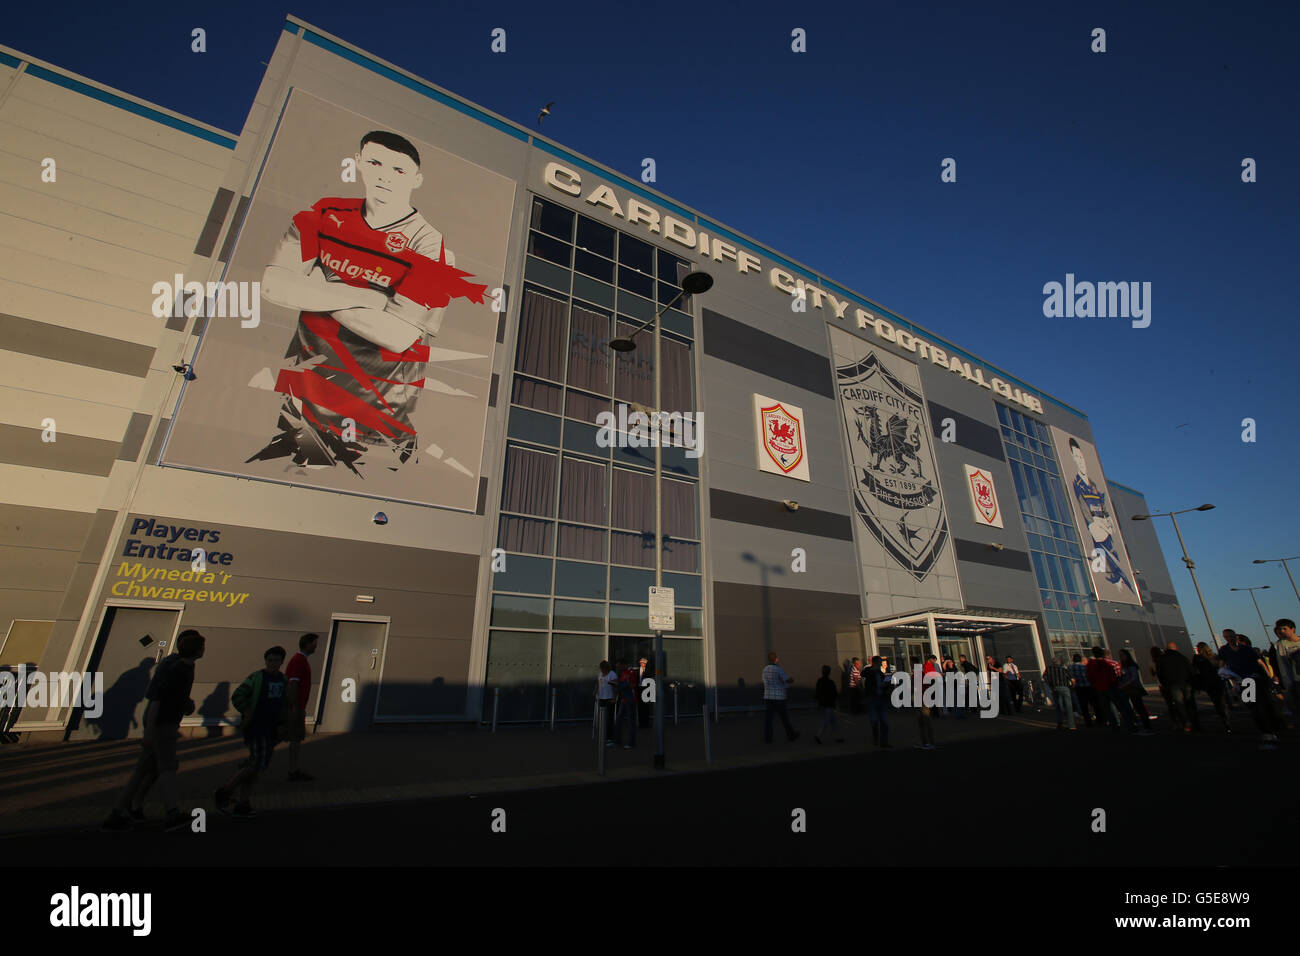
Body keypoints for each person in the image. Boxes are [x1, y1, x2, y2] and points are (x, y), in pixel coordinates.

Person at [252, 130, 489, 474]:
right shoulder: (324, 215)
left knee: (347, 508)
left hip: (372, 419)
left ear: (416, 179)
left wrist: (317, 286)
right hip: (303, 401)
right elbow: (273, 285)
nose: (384, 175)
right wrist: (363, 296)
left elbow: (397, 333)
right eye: (375, 163)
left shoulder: (432, 248)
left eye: (398, 170)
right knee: (282, 492)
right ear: (359, 163)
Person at [100, 629, 206, 832]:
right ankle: (172, 813)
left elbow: (172, 696)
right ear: (197, 649)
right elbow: (156, 698)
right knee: (167, 767)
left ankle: (118, 813)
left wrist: (186, 703)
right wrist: (149, 730)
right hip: (162, 724)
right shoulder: (175, 668)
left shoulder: (183, 666)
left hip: (164, 722)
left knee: (143, 771)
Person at [215, 646, 292, 817]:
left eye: (276, 660)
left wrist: (284, 724)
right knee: (257, 763)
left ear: (281, 662)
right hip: (257, 726)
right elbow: (238, 696)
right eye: (270, 660)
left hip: (271, 727)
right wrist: (247, 711)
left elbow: (285, 705)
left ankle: (243, 803)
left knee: (257, 766)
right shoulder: (257, 677)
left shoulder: (283, 680)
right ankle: (226, 791)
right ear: (265, 660)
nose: (273, 663)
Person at [1066, 437, 1136, 595]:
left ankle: (1118, 582)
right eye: (1076, 458)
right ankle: (1112, 579)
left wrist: (1108, 520)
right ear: (1073, 460)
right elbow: (1083, 507)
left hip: (1104, 527)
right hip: (1095, 532)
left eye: (1081, 457)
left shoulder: (1094, 484)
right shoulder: (1076, 484)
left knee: (1112, 553)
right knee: (1103, 556)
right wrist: (1092, 523)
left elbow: (1103, 504)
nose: (1080, 461)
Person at [1219, 629, 1280, 747]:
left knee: (1261, 705)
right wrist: (1230, 682)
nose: (1229, 638)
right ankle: (1266, 729)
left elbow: (1260, 663)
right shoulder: (1225, 650)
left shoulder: (1246, 649)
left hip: (1254, 678)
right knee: (1253, 706)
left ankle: (1269, 730)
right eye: (1226, 637)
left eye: (1231, 636)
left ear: (1235, 636)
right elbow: (1222, 667)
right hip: (1242, 681)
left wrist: (1269, 677)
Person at [284, 632, 319, 781]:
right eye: (314, 643)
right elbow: (293, 683)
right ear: (307, 644)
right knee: (294, 738)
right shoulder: (299, 660)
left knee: (295, 739)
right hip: (296, 707)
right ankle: (293, 771)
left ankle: (294, 769)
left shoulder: (301, 660)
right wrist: (294, 707)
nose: (316, 646)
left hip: (297, 706)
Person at [1155, 641, 1199, 731]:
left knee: (1179, 704)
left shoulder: (1161, 659)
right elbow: (1191, 670)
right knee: (1189, 702)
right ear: (1176, 648)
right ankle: (1195, 722)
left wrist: (1164, 683)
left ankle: (1186, 723)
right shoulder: (1182, 657)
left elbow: (1159, 673)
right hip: (1186, 683)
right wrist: (1193, 682)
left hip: (1172, 684)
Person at [1192, 642, 1231, 732]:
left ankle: (1224, 719)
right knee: (1221, 700)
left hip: (1209, 683)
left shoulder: (1198, 658)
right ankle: (1226, 718)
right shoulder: (1214, 657)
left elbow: (1194, 671)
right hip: (1218, 681)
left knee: (1217, 701)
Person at [762, 652, 799, 743]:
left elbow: (765, 682)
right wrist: (792, 679)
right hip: (779, 698)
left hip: (768, 697)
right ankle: (791, 735)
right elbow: (787, 679)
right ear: (776, 659)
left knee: (769, 719)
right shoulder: (778, 669)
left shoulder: (765, 669)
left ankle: (768, 738)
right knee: (784, 718)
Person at [1085, 646, 1125, 730]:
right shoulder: (1108, 663)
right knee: (1119, 705)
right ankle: (1128, 722)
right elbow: (1114, 674)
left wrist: (1094, 684)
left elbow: (1089, 677)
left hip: (1099, 688)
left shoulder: (1091, 664)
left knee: (1106, 708)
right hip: (1111, 686)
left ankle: (1114, 725)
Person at [1118, 649, 1155, 735]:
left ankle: (1148, 727)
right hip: (1129, 689)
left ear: (1127, 655)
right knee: (1138, 707)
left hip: (1134, 688)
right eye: (1120, 655)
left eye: (1122, 655)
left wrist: (1124, 684)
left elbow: (1134, 677)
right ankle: (1145, 725)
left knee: (1139, 707)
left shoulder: (1130, 665)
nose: (1120, 657)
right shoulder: (1125, 666)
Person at [863, 655, 892, 748]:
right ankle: (877, 740)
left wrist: (886, 686)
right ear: (875, 663)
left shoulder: (879, 673)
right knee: (875, 720)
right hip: (873, 698)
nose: (881, 664)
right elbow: (863, 674)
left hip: (880, 698)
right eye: (879, 662)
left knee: (883, 721)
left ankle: (883, 741)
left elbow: (882, 682)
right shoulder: (870, 671)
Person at [1274, 619, 1300, 716]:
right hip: (1297, 680)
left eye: (1284, 629)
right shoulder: (1281, 645)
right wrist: (1288, 683)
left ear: (1293, 629)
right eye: (1280, 629)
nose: (1282, 631)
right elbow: (1283, 666)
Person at [814, 665, 844, 744]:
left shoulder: (819, 681)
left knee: (832, 721)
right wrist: (836, 704)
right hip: (829, 704)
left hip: (823, 703)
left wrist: (818, 703)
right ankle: (818, 735)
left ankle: (838, 737)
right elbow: (834, 694)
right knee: (827, 721)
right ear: (829, 672)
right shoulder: (831, 683)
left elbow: (817, 693)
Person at [1044, 656, 1076, 730]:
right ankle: (1071, 725)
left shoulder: (1049, 669)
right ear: (1060, 662)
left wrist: (1050, 685)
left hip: (1055, 687)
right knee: (1068, 706)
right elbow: (1071, 678)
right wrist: (1072, 686)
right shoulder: (1063, 669)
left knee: (1059, 706)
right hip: (1065, 687)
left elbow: (1045, 677)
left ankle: (1060, 723)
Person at [915, 658, 938, 750]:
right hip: (923, 698)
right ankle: (927, 741)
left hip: (922, 699)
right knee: (924, 721)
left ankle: (927, 742)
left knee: (924, 721)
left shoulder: (919, 675)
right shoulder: (923, 675)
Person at [615, 658, 638, 749]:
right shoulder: (624, 673)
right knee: (618, 720)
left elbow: (633, 685)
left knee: (630, 722)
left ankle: (631, 742)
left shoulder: (631, 672)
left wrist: (624, 685)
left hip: (630, 700)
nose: (618, 668)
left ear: (623, 664)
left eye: (619, 666)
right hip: (624, 699)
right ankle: (617, 741)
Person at [1069, 652, 1096, 727]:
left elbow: (1071, 678)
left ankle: (1088, 721)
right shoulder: (1084, 667)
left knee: (1083, 706)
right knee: (1092, 703)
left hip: (1079, 688)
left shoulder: (1070, 667)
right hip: (1088, 687)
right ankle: (1098, 718)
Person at [595, 660, 618, 746]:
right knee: (602, 718)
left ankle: (609, 737)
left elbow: (615, 687)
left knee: (609, 719)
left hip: (609, 698)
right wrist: (595, 691)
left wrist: (615, 698)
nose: (601, 670)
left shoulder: (612, 674)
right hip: (602, 698)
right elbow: (598, 683)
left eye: (602, 668)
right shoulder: (600, 674)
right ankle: (602, 735)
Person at [637, 656, 653, 729]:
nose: (643, 664)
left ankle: (646, 723)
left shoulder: (648, 671)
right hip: (639, 689)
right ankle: (641, 723)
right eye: (642, 663)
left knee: (646, 707)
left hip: (646, 690)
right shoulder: (637, 671)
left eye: (644, 663)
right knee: (640, 707)